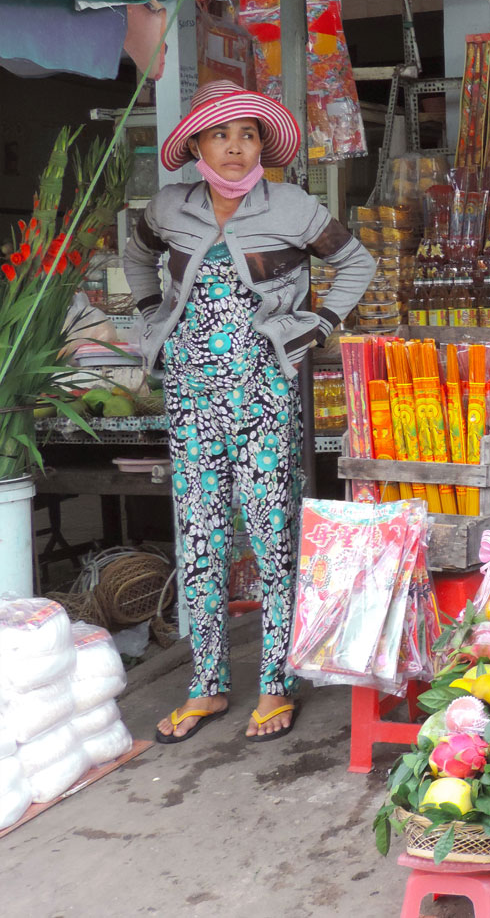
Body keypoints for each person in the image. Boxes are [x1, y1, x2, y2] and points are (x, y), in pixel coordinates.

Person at [123, 81, 375, 743]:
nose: (236, 149)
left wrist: (317, 322)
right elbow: (137, 254)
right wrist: (152, 317)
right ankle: (206, 684)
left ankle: (275, 682)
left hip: (264, 390)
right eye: (221, 135)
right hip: (191, 392)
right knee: (200, 534)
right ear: (197, 145)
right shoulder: (169, 207)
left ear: (264, 146)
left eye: (248, 135)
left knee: (271, 533)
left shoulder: (291, 206)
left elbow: (356, 262)